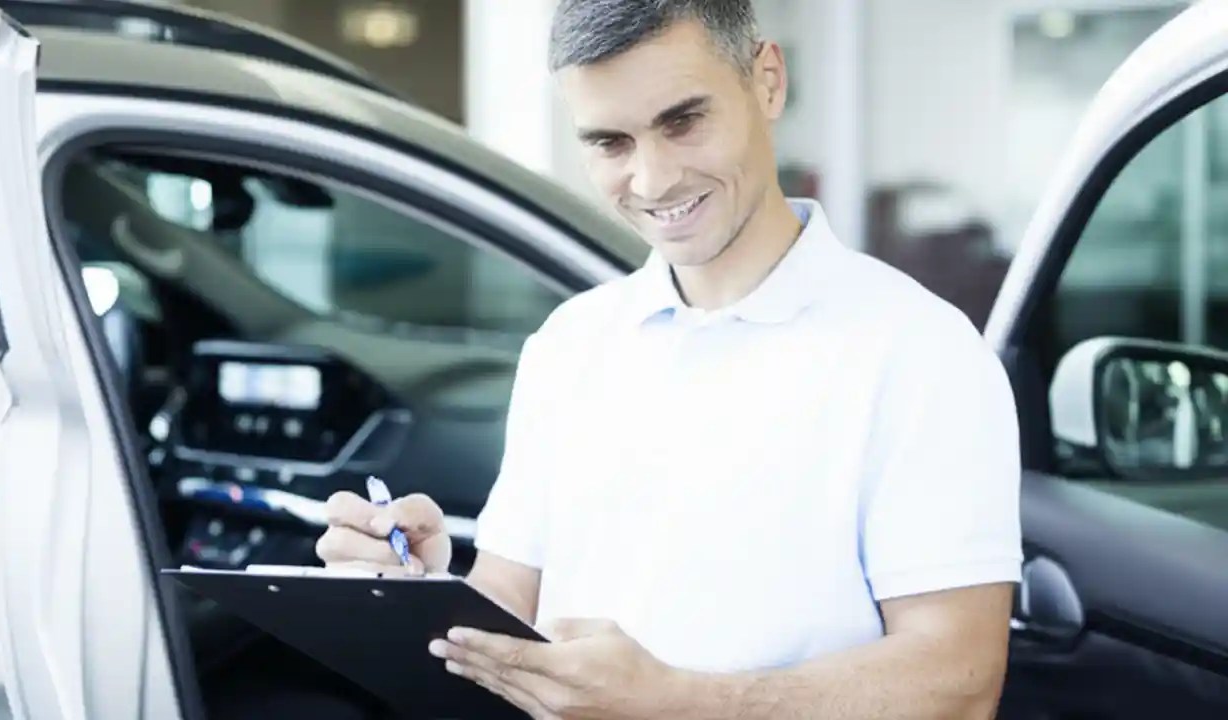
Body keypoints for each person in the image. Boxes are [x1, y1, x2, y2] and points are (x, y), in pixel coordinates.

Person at [317, 1, 1023, 717]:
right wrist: (414, 589)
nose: (653, 180)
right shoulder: (569, 344)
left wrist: (681, 703)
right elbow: (512, 610)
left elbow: (958, 681)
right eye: (609, 143)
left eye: (683, 122)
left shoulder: (920, 351)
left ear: (768, 82)